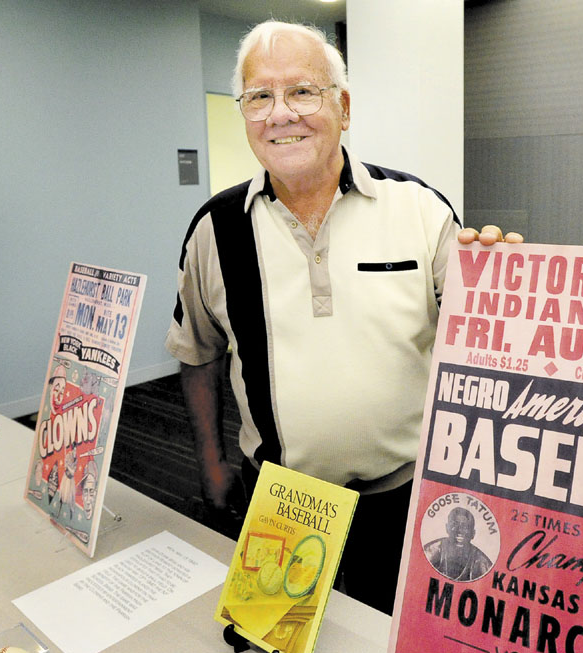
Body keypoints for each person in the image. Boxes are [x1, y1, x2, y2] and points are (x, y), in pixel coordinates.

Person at [165, 20, 520, 615]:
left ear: (344, 106)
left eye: (303, 91)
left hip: (410, 496)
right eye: (260, 97)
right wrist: (209, 461)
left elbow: (484, 341)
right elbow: (198, 353)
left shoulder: (419, 208)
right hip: (281, 498)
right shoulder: (215, 230)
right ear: (246, 115)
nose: (281, 114)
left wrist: (506, 283)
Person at [423, 507, 492, 581]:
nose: (460, 531)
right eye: (455, 525)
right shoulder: (432, 550)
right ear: (447, 528)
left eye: (465, 527)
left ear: (473, 533)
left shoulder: (482, 561)